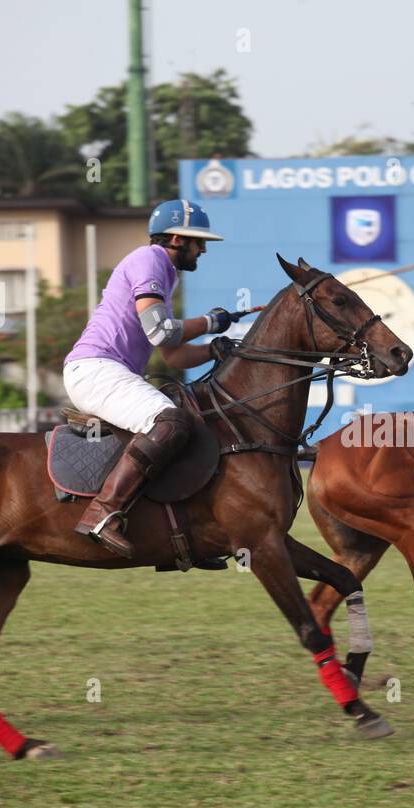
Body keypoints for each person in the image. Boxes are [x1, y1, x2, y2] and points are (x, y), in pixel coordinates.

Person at [63, 198, 234, 560]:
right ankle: (102, 513)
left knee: (185, 425)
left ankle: (184, 533)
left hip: (107, 371)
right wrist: (210, 322)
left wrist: (214, 350)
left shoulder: (164, 277)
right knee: (170, 421)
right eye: (197, 240)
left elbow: (173, 355)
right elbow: (160, 331)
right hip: (95, 369)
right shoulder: (150, 259)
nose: (202, 249)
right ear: (175, 239)